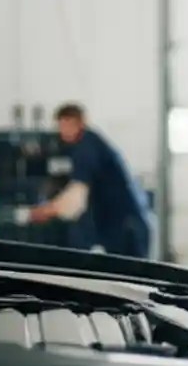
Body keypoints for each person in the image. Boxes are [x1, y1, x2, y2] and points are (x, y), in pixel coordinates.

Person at [30, 103, 153, 258]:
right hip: (120, 225)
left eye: (69, 125)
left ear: (81, 123)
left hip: (127, 228)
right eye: (61, 126)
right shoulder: (88, 143)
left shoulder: (86, 149)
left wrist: (46, 211)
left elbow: (76, 199)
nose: (64, 132)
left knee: (131, 277)